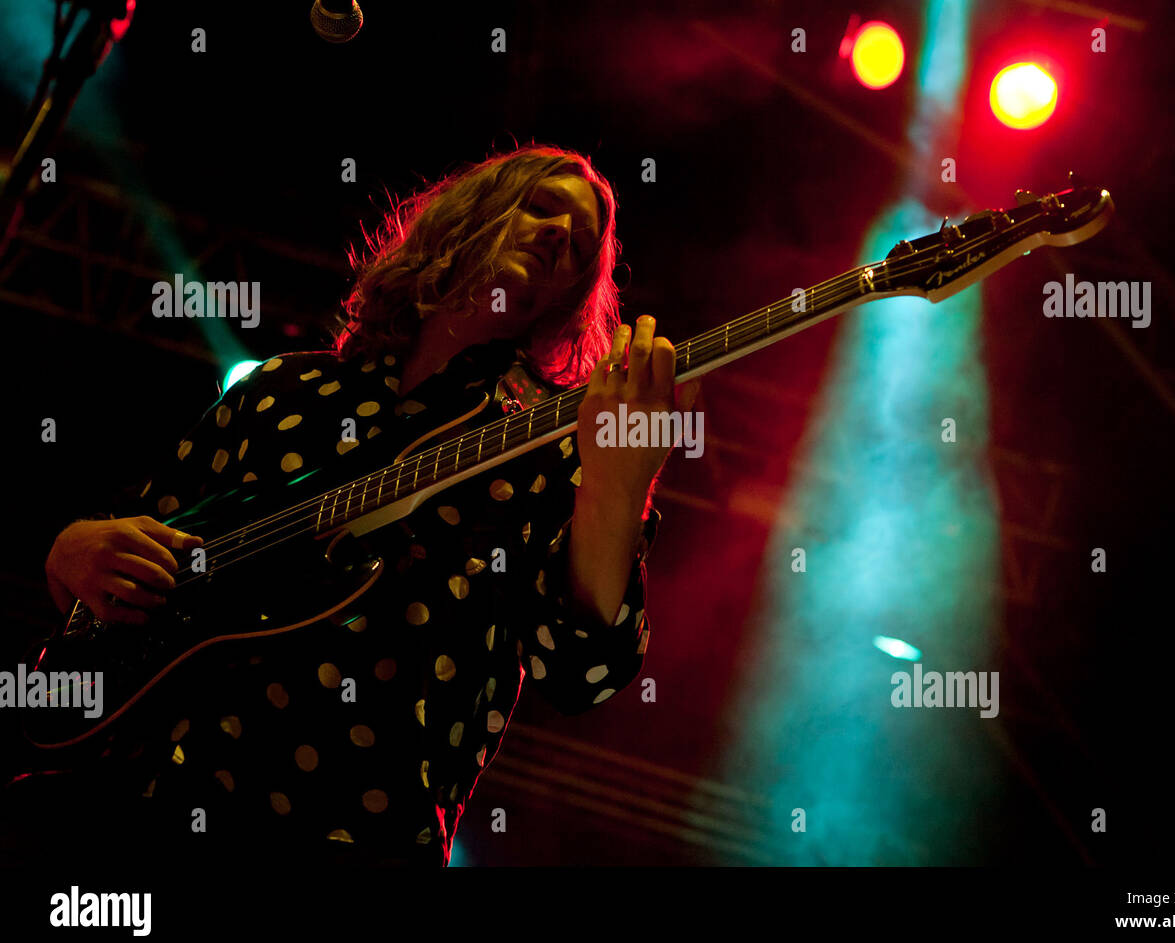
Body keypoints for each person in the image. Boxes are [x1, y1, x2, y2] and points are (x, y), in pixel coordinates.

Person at [38, 145, 701, 867]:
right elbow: (134, 535)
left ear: (571, 297)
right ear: (467, 215)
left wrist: (619, 484)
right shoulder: (283, 391)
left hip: (360, 836)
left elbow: (582, 673)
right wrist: (69, 547)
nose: (556, 236)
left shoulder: (542, 449)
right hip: (159, 802)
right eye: (542, 208)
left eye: (578, 246)